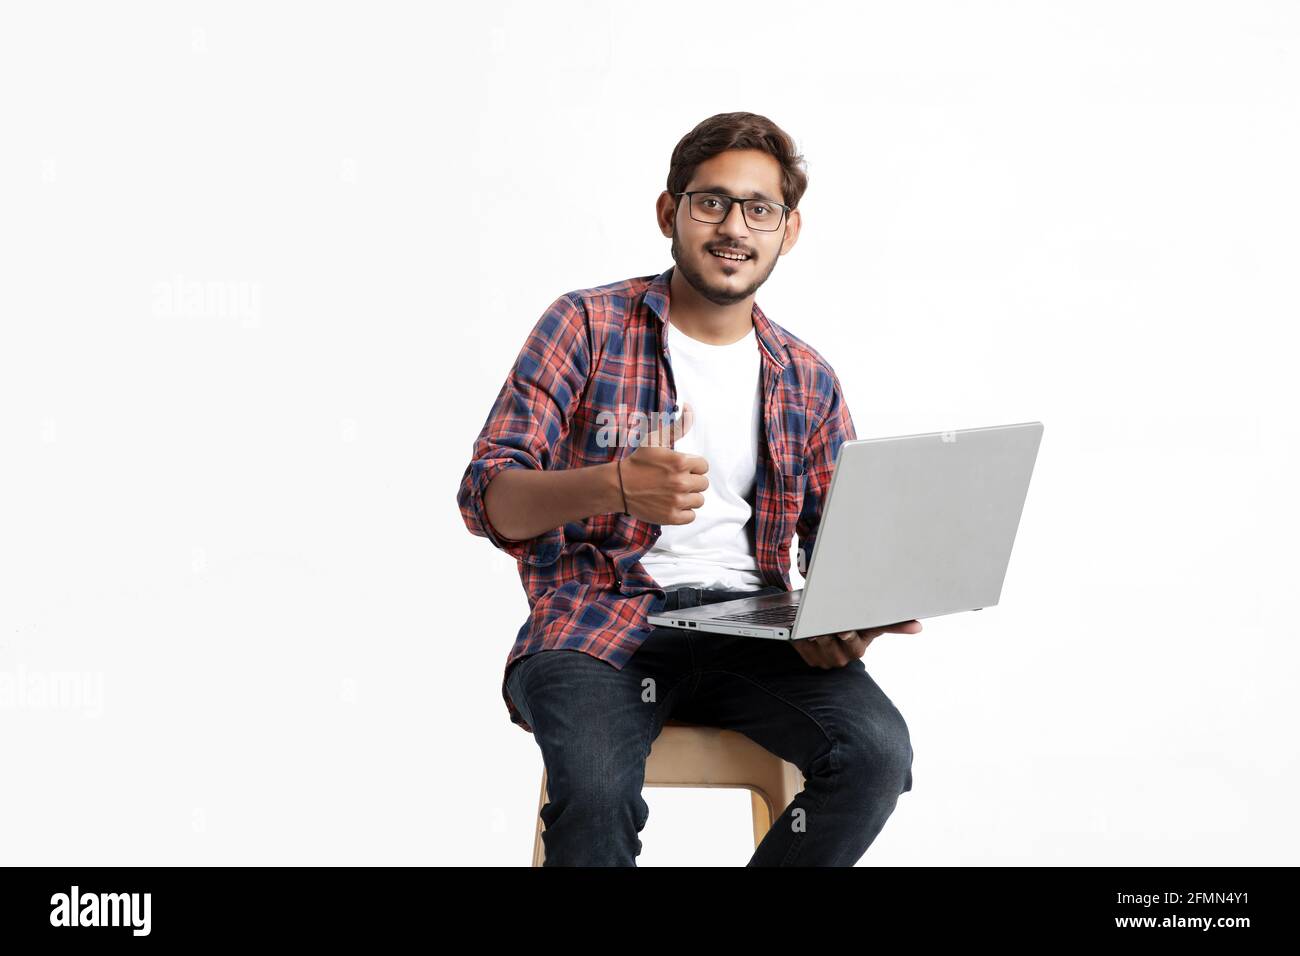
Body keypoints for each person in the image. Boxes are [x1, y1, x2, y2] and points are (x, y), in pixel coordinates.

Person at [456, 112, 921, 866]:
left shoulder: (806, 375)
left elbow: (844, 546)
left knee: (874, 756)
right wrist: (611, 485)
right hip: (599, 630)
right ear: (670, 212)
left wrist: (853, 618)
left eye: (758, 209)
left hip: (758, 637)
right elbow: (486, 496)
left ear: (787, 231)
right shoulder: (584, 325)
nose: (734, 227)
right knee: (599, 793)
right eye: (711, 203)